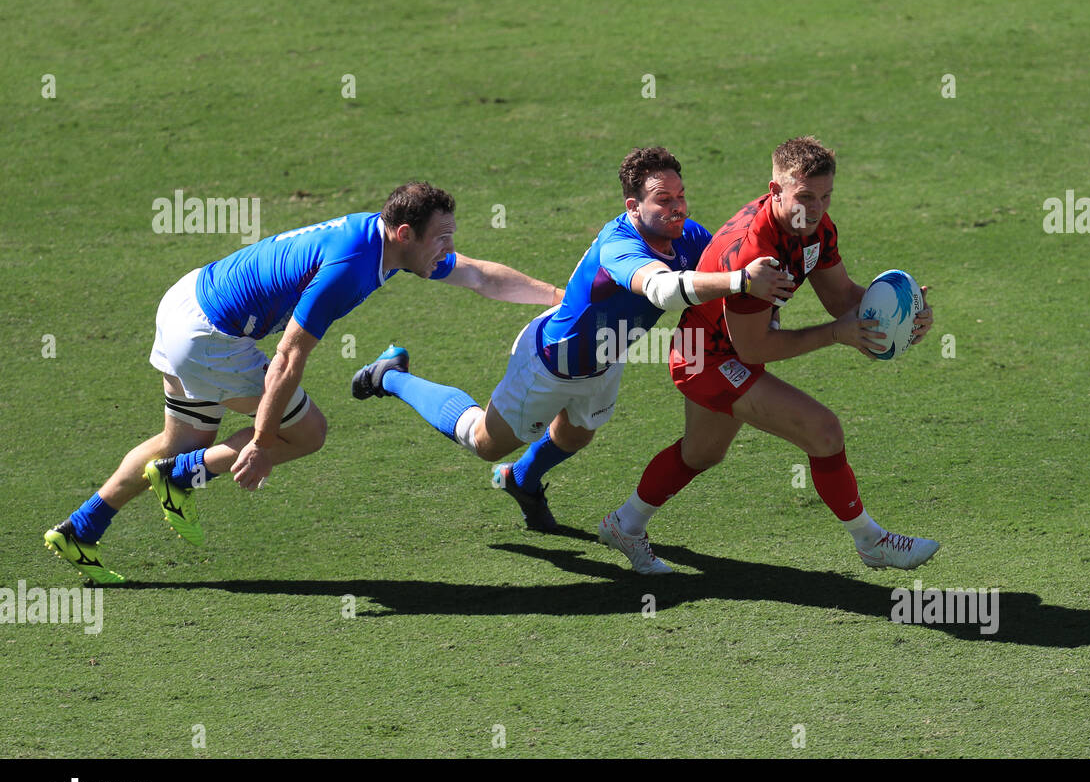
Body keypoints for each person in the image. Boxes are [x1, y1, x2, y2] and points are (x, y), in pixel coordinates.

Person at [43, 181, 562, 585]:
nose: (448, 247)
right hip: (209, 336)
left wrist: (559, 296)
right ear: (406, 234)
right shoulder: (351, 268)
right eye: (442, 238)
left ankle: (81, 529)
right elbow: (289, 357)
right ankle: (182, 475)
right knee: (308, 432)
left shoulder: (381, 240)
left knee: (182, 436)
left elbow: (480, 276)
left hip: (186, 299)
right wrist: (264, 444)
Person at [350, 148, 793, 557]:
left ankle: (521, 479)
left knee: (577, 433)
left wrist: (763, 299)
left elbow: (725, 264)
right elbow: (662, 290)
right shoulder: (620, 246)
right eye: (662, 199)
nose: (677, 206)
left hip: (606, 358)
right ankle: (391, 374)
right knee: (484, 442)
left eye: (680, 195)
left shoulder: (690, 236)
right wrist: (742, 282)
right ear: (633, 207)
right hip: (549, 365)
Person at [598, 137, 940, 574]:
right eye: (804, 197)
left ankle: (624, 524)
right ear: (775, 191)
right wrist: (838, 334)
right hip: (709, 358)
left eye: (825, 197)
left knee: (701, 453)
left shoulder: (814, 227)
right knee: (824, 431)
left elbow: (841, 297)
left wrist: (901, 318)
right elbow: (755, 347)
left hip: (724, 347)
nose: (814, 209)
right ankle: (872, 541)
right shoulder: (756, 254)